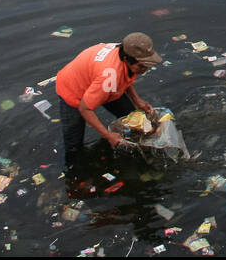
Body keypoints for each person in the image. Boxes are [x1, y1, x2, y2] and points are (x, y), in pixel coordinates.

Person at [55, 32, 162, 168]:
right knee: (74, 146)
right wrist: (108, 135)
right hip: (73, 90)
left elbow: (125, 77)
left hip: (103, 85)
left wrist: (137, 100)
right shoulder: (109, 75)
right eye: (141, 66)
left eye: (147, 65)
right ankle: (75, 174)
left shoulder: (124, 53)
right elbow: (85, 108)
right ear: (126, 59)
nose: (144, 70)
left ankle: (135, 148)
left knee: (131, 117)